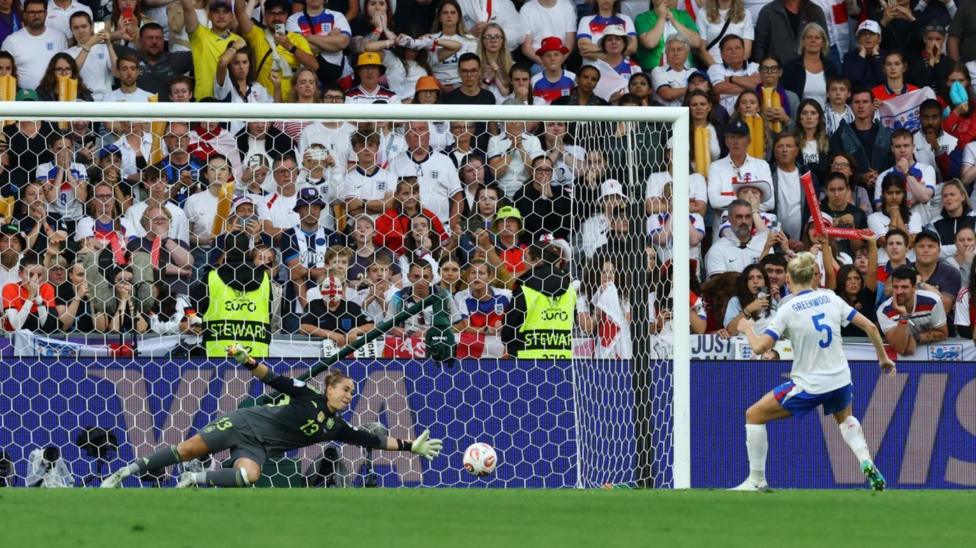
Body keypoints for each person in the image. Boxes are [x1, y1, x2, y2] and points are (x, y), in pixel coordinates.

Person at [101, 345, 442, 488]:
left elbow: (375, 439)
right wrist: (246, 360)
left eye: (352, 392)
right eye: (345, 390)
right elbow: (272, 378)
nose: (349, 396)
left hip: (257, 446)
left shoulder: (336, 426)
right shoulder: (306, 394)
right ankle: (124, 472)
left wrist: (412, 446)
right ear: (329, 390)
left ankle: (195, 480)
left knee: (249, 476)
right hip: (242, 423)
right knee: (187, 451)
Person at [735, 252, 894, 492]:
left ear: (788, 278)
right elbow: (871, 326)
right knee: (845, 419)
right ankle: (865, 460)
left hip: (809, 384)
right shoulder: (831, 299)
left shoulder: (787, 309)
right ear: (813, 278)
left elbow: (759, 347)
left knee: (754, 415)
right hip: (840, 379)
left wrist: (747, 328)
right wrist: (883, 359)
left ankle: (756, 480)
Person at [501, 243, 575, 358]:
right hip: (562, 357)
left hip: (527, 359)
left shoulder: (525, 288)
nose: (523, 262)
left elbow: (510, 327)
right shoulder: (570, 289)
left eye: (525, 258)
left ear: (537, 260)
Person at [877, 265, 948, 355]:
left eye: (904, 287)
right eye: (895, 287)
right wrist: (903, 316)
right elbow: (900, 347)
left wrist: (917, 338)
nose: (899, 292)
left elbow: (943, 333)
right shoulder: (884, 311)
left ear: (914, 288)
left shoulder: (932, 301)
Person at [0, 0, 68, 90]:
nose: (36, 16)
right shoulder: (11, 41)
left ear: (46, 13)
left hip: (54, 97)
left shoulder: (59, 37)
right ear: (24, 14)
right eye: (32, 12)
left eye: (40, 12)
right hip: (22, 98)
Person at [752, 0, 827, 66]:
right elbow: (759, 46)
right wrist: (763, 69)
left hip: (809, 72)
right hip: (777, 75)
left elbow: (825, 44)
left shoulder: (816, 11)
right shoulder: (768, 12)